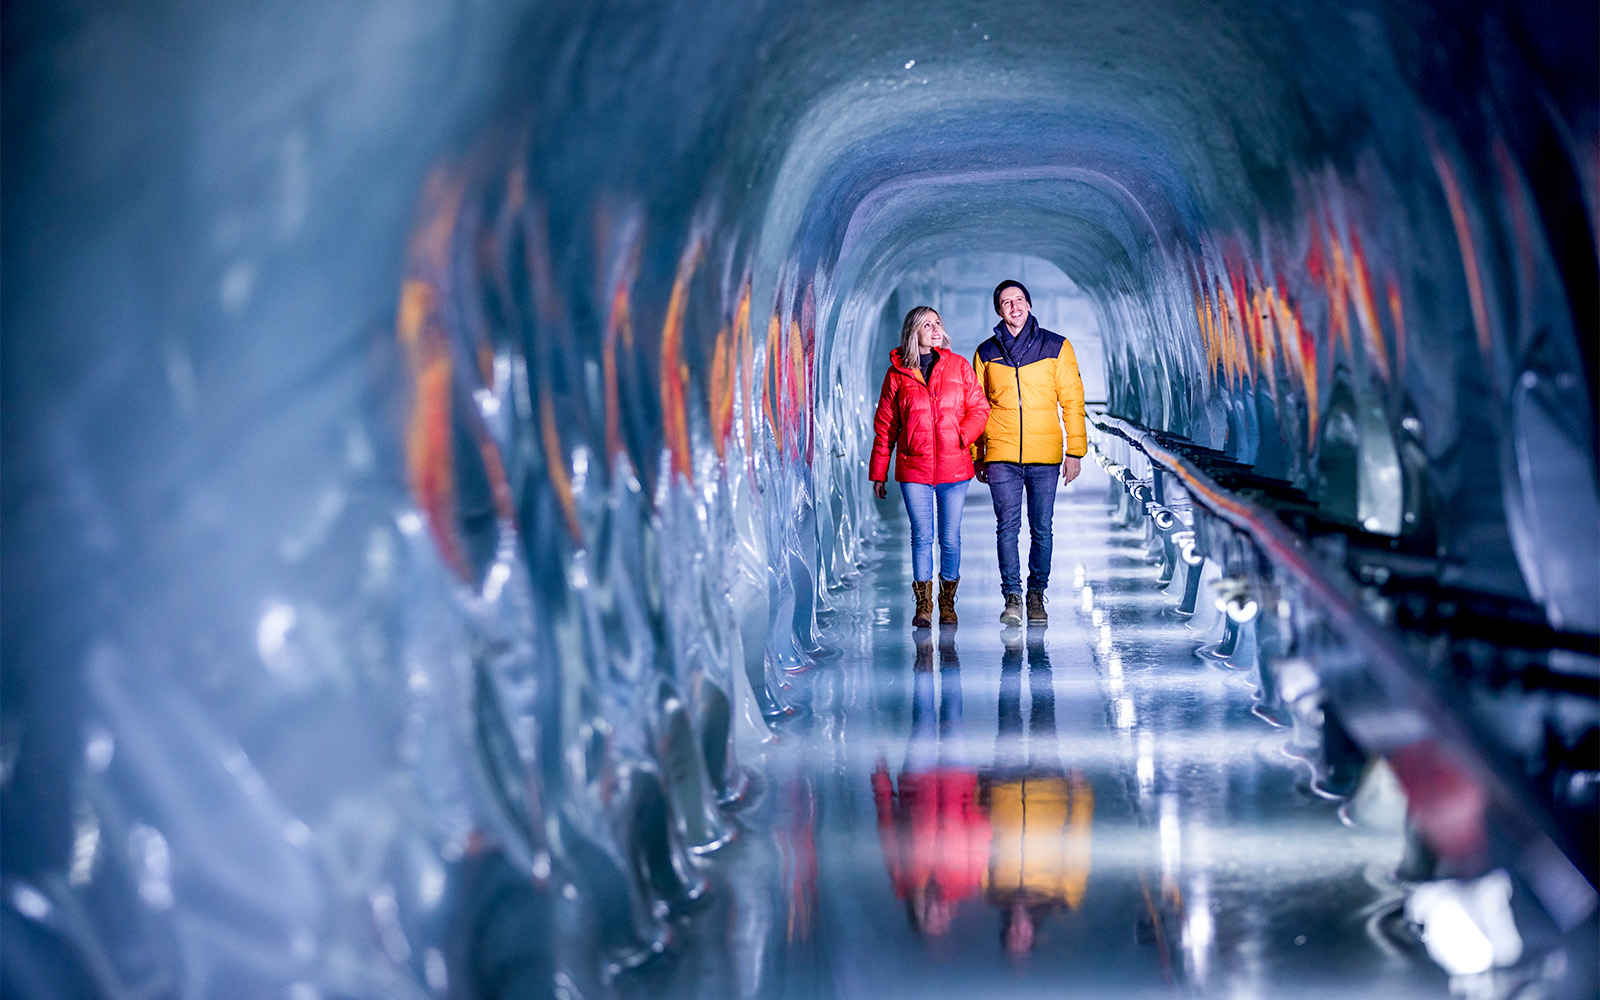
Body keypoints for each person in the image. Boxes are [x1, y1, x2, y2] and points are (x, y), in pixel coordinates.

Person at [971, 280, 1087, 626]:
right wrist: (979, 453)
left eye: (1019, 299)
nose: (1014, 306)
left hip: (1045, 454)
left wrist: (1075, 450)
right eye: (1006, 302)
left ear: (1029, 304)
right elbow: (976, 406)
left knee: (1042, 528)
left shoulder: (1057, 346)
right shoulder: (986, 353)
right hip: (1002, 452)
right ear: (999, 311)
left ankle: (1036, 594)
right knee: (1006, 527)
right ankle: (1012, 597)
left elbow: (1072, 401)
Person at [870, 306, 990, 628]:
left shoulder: (958, 366)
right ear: (913, 332)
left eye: (938, 322)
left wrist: (962, 436)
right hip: (915, 468)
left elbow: (980, 408)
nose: (935, 328)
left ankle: (947, 601)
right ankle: (923, 604)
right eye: (927, 324)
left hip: (954, 466)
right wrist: (878, 472)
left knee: (949, 537)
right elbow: (886, 426)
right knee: (922, 536)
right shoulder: (897, 374)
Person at [981, 632, 1093, 955]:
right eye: (1022, 937)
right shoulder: (1062, 895)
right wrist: (1082, 797)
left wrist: (981, 789)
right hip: (1049, 792)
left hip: (1003, 788)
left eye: (1011, 936)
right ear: (1033, 933)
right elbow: (1078, 847)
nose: (1017, 929)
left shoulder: (991, 892)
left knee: (1007, 712)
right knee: (1044, 712)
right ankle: (1038, 651)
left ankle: (1015, 652)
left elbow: (981, 841)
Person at [871, 633, 988, 936]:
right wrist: (976, 799)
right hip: (958, 783)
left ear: (916, 913)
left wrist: (881, 781)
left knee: (923, 720)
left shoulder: (902, 877)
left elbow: (888, 825)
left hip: (917, 781)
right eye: (940, 919)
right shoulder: (966, 883)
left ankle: (924, 660)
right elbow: (982, 834)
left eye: (928, 917)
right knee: (952, 719)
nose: (936, 911)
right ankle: (949, 660)